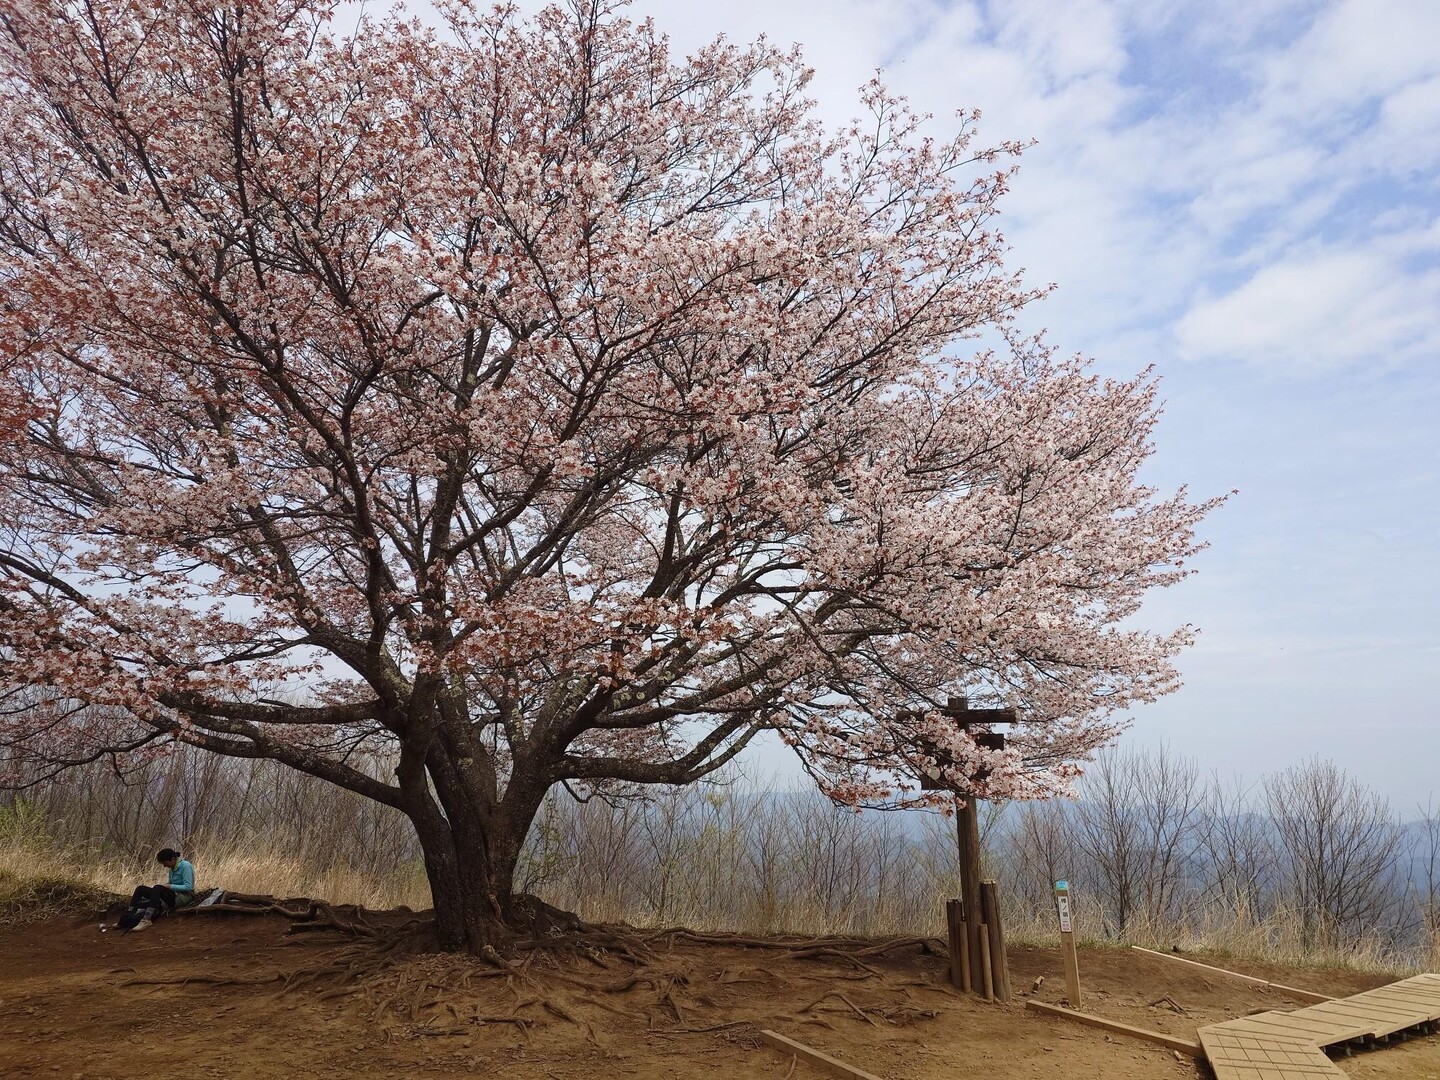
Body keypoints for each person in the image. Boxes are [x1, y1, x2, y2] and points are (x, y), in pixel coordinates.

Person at [118, 848, 196, 931]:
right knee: (140, 889)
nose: (164, 866)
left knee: (157, 888)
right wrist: (166, 887)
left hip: (183, 897)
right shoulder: (172, 868)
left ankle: (146, 920)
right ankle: (127, 917)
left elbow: (189, 887)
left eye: (165, 863)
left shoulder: (185, 866)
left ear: (173, 859)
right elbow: (170, 883)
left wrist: (169, 886)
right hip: (174, 894)